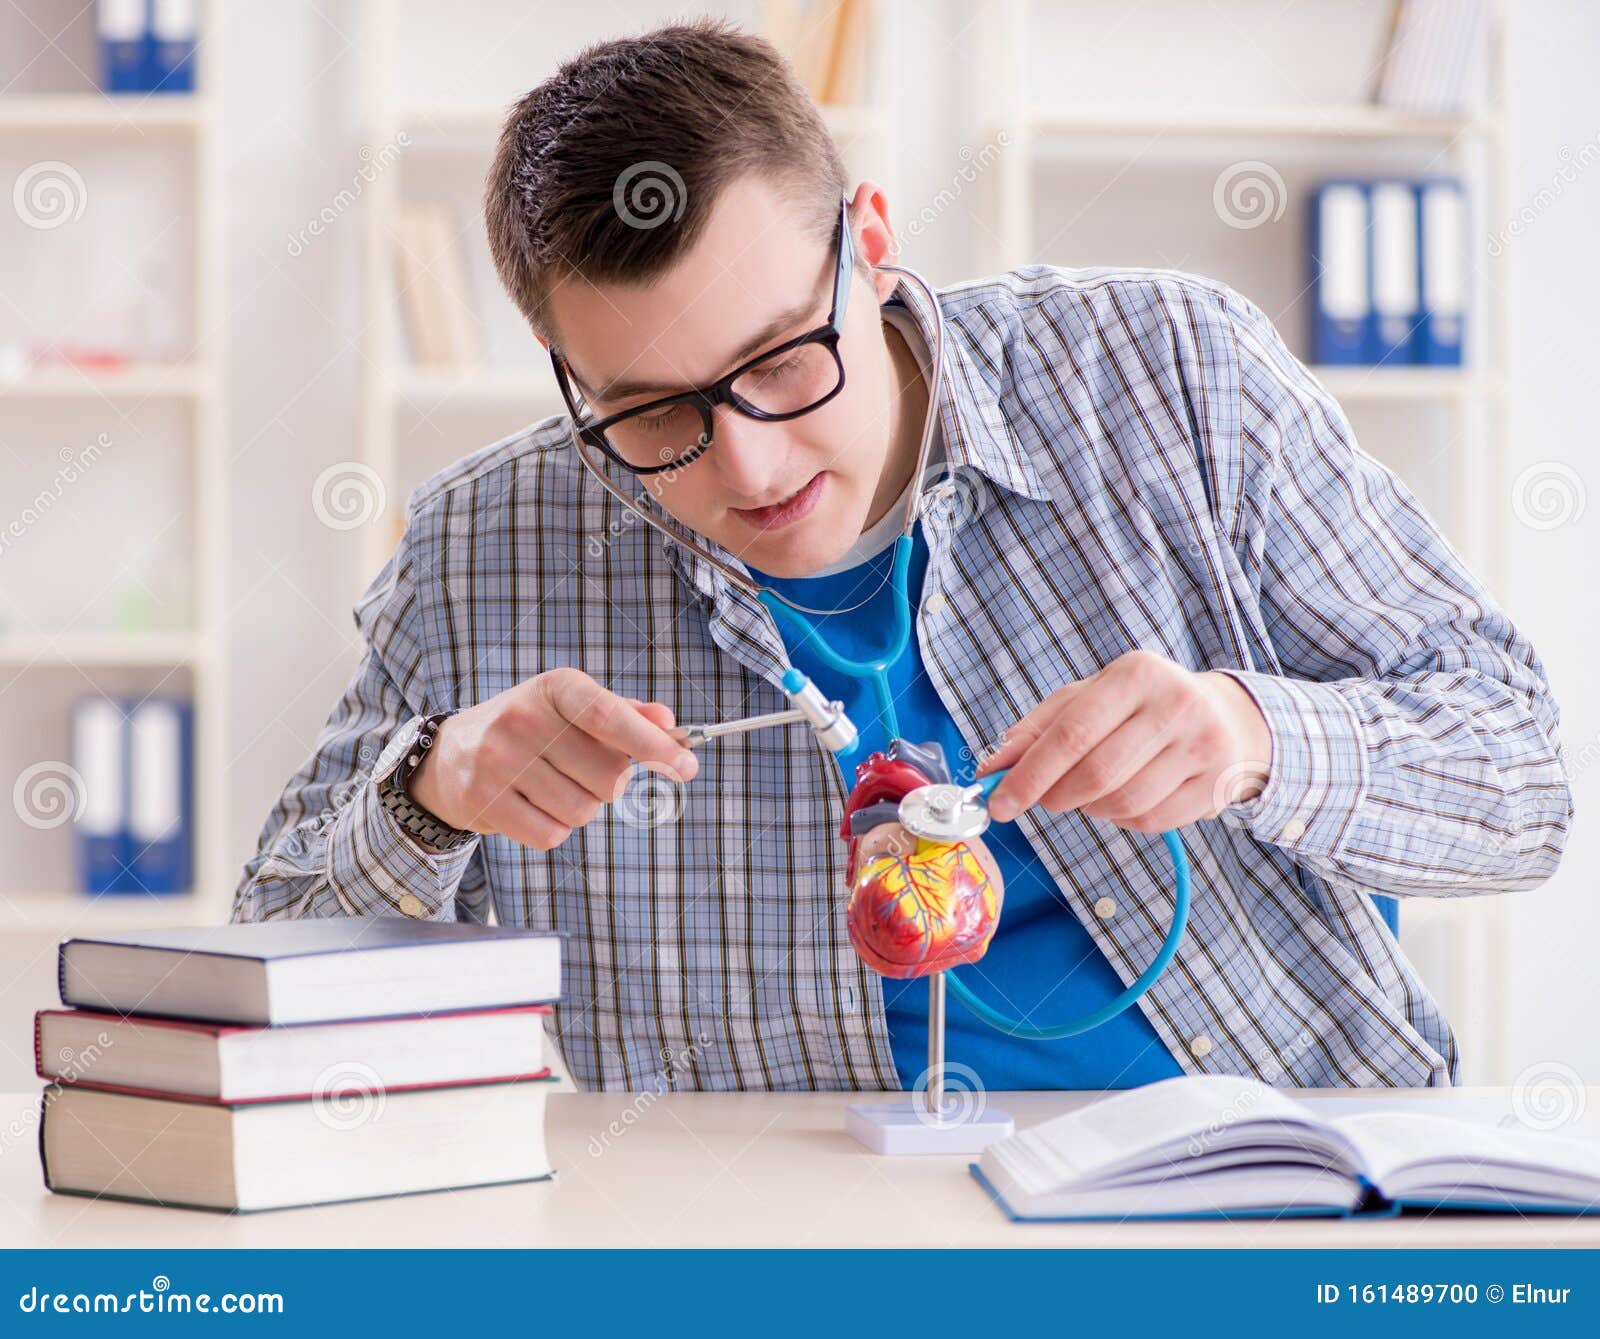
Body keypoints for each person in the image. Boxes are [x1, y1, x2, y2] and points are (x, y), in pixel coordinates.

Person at [234, 20, 1572, 1093]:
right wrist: (433, 795)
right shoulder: (481, 553)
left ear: (869, 246)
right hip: (781, 1258)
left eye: (778, 359)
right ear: (565, 373)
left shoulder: (1178, 379)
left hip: (1257, 1209)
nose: (748, 469)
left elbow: (1523, 781)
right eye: (650, 412)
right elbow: (259, 976)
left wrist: (1254, 734)